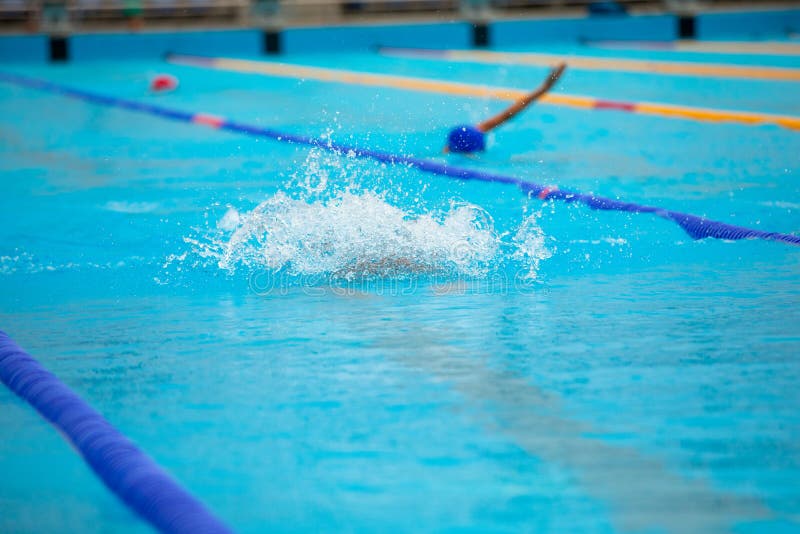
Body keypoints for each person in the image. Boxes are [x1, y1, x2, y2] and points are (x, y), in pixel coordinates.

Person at [444, 62, 567, 154]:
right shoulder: (481, 130)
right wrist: (545, 87)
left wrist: (545, 87)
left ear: (447, 147)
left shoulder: (447, 157)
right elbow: (511, 112)